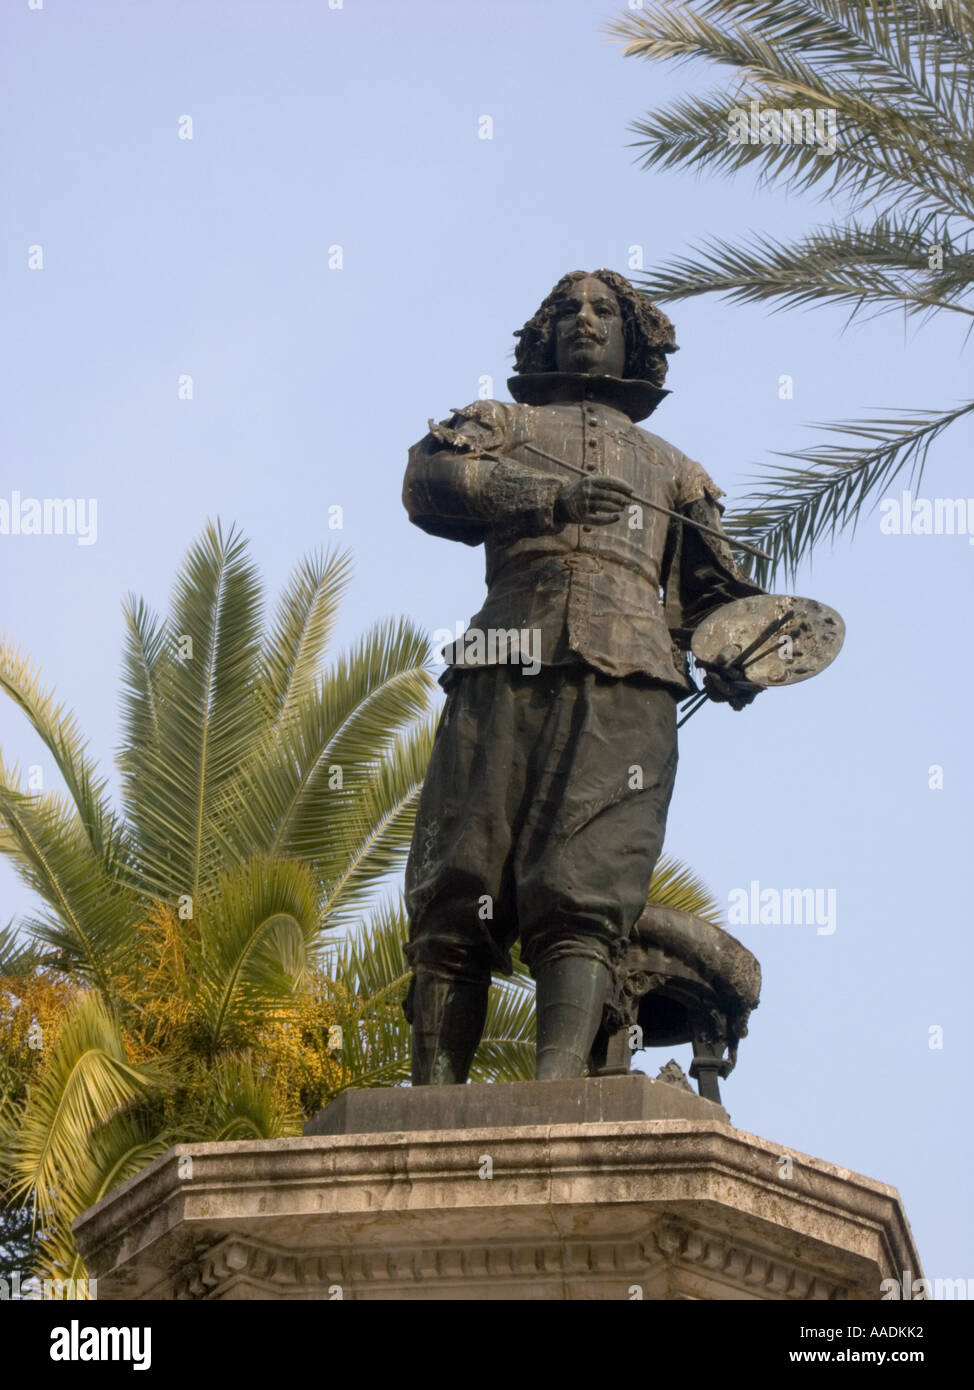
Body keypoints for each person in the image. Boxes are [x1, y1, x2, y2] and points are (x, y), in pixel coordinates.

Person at [402, 269, 762, 1084]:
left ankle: (558, 1090)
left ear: (635, 339)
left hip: (630, 682)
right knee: (460, 874)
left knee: (585, 888)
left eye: (604, 311)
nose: (585, 321)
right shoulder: (502, 422)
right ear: (544, 334)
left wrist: (745, 657)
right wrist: (549, 497)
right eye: (568, 310)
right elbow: (427, 483)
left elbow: (718, 600)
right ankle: (430, 1097)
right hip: (503, 663)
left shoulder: (677, 469)